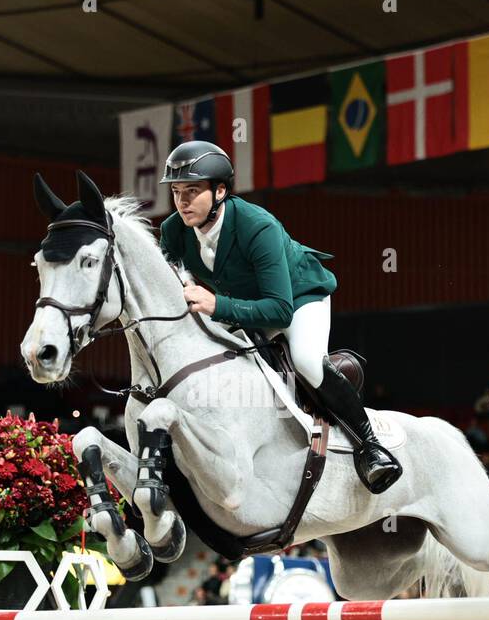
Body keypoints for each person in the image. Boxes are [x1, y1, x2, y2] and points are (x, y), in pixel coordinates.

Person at [158, 140, 401, 494]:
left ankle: (370, 446)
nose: (182, 202)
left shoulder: (258, 226)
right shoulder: (172, 231)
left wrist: (216, 305)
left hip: (298, 299)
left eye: (192, 191)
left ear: (220, 190)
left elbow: (279, 309)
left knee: (305, 360)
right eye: (177, 192)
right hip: (238, 304)